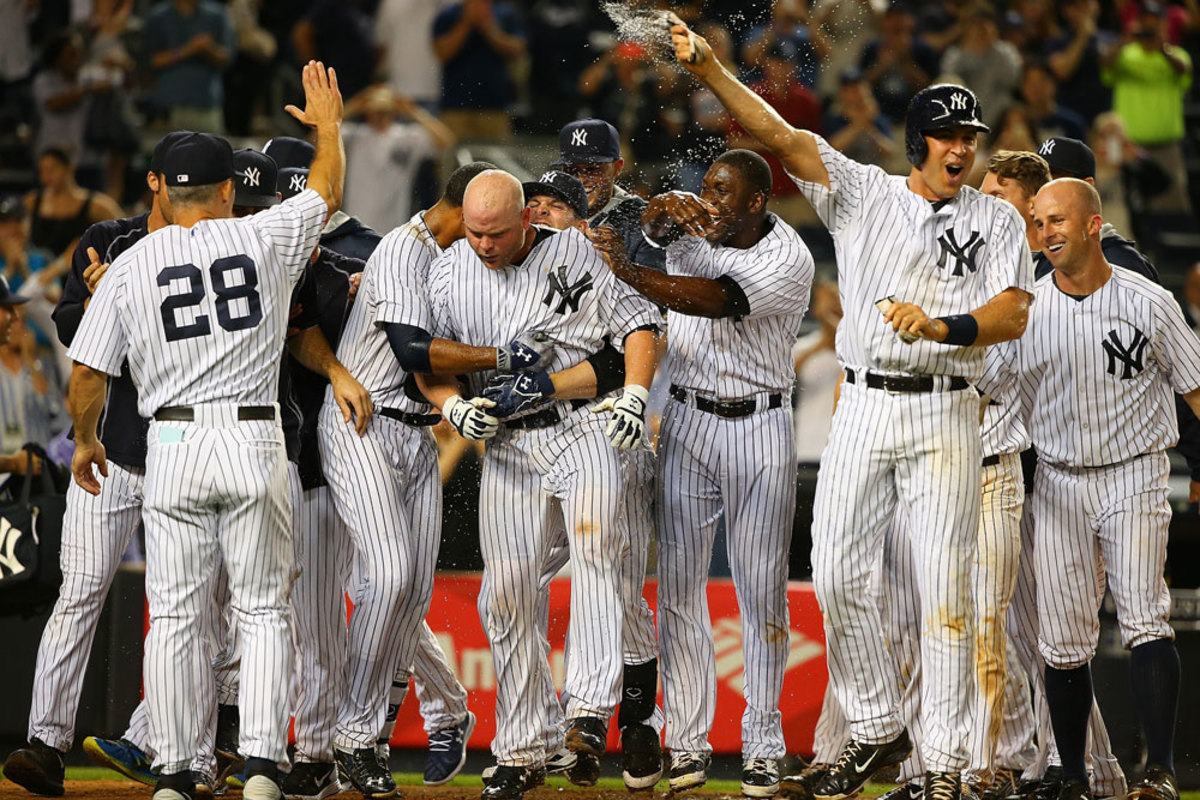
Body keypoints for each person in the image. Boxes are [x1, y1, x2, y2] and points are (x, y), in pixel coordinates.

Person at [666, 19, 1031, 800]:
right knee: (833, 574)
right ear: (917, 142)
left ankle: (945, 765)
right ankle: (875, 728)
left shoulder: (997, 217)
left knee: (945, 593)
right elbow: (777, 131)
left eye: (968, 134)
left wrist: (941, 327)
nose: (960, 148)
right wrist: (710, 69)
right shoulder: (863, 191)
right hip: (864, 407)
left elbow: (1011, 314)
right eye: (945, 135)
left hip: (945, 411)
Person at [62, 61, 345, 800]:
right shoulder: (264, 237)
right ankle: (258, 764)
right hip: (254, 438)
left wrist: (86, 439)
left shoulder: (130, 263)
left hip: (173, 447)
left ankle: (176, 771)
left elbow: (87, 374)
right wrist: (329, 127)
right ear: (226, 190)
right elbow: (326, 190)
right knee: (260, 610)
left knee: (178, 618)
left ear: (166, 190)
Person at [416, 169, 659, 800]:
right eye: (474, 232)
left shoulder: (578, 249)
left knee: (600, 546)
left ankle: (587, 711)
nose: (485, 244)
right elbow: (422, 357)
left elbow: (637, 325)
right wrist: (449, 406)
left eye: (496, 232)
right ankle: (523, 747)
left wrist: (633, 393)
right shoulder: (447, 272)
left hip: (581, 428)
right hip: (506, 444)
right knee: (506, 595)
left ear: (527, 220)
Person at [589, 148, 814, 797]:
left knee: (760, 591)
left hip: (760, 425)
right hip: (687, 418)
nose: (712, 202)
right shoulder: (696, 223)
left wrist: (628, 271)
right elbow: (652, 225)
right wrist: (663, 210)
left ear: (755, 203)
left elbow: (711, 298)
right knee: (681, 589)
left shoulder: (787, 257)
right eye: (708, 188)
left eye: (725, 194)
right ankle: (687, 744)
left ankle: (763, 744)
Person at [1018, 178, 1200, 800]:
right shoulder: (1028, 310)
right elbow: (993, 397)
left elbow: (1196, 387)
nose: (1047, 232)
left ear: (1094, 225)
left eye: (1058, 219)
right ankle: (1074, 774)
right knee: (1064, 639)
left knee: (1146, 617)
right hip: (1060, 481)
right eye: (1039, 222)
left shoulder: (1149, 301)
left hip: (1134, 473)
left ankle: (1160, 771)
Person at [1101, 1, 1193, 213]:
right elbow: (1105, 64)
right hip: (1126, 147)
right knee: (1120, 206)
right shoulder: (1125, 54)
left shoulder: (1176, 55)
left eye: (1155, 24)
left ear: (1164, 26)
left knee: (1173, 205)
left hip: (1166, 147)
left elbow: (1183, 71)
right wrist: (1124, 40)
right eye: (1145, 24)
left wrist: (1162, 48)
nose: (1149, 29)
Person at [551, 118, 665, 272]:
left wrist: (624, 268)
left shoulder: (641, 221)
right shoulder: (543, 213)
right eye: (572, 170)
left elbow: (656, 291)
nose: (581, 179)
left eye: (592, 170)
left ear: (617, 168)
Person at [340, 84, 456, 234]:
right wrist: (355, 104)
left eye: (384, 109)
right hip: (355, 224)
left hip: (393, 227)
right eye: (375, 108)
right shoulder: (354, 135)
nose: (380, 114)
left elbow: (447, 141)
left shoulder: (407, 137)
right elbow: (316, 138)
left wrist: (412, 111)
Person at [431, 0, 526, 141]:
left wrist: (488, 27)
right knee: (452, 160)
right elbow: (442, 53)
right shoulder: (448, 14)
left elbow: (517, 49)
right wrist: (466, 23)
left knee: (497, 159)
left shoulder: (505, 13)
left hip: (495, 107)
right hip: (455, 108)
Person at [24, 147, 123, 269]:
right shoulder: (32, 201)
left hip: (79, 274)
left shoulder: (97, 205)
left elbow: (123, 234)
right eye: (43, 170)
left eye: (52, 169)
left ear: (69, 168)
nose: (46, 176)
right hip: (38, 273)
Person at [145, 0, 234, 133]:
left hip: (206, 103)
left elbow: (227, 58)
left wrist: (208, 49)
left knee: (211, 151)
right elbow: (152, 61)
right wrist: (188, 49)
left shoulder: (216, 14)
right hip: (170, 104)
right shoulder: (159, 16)